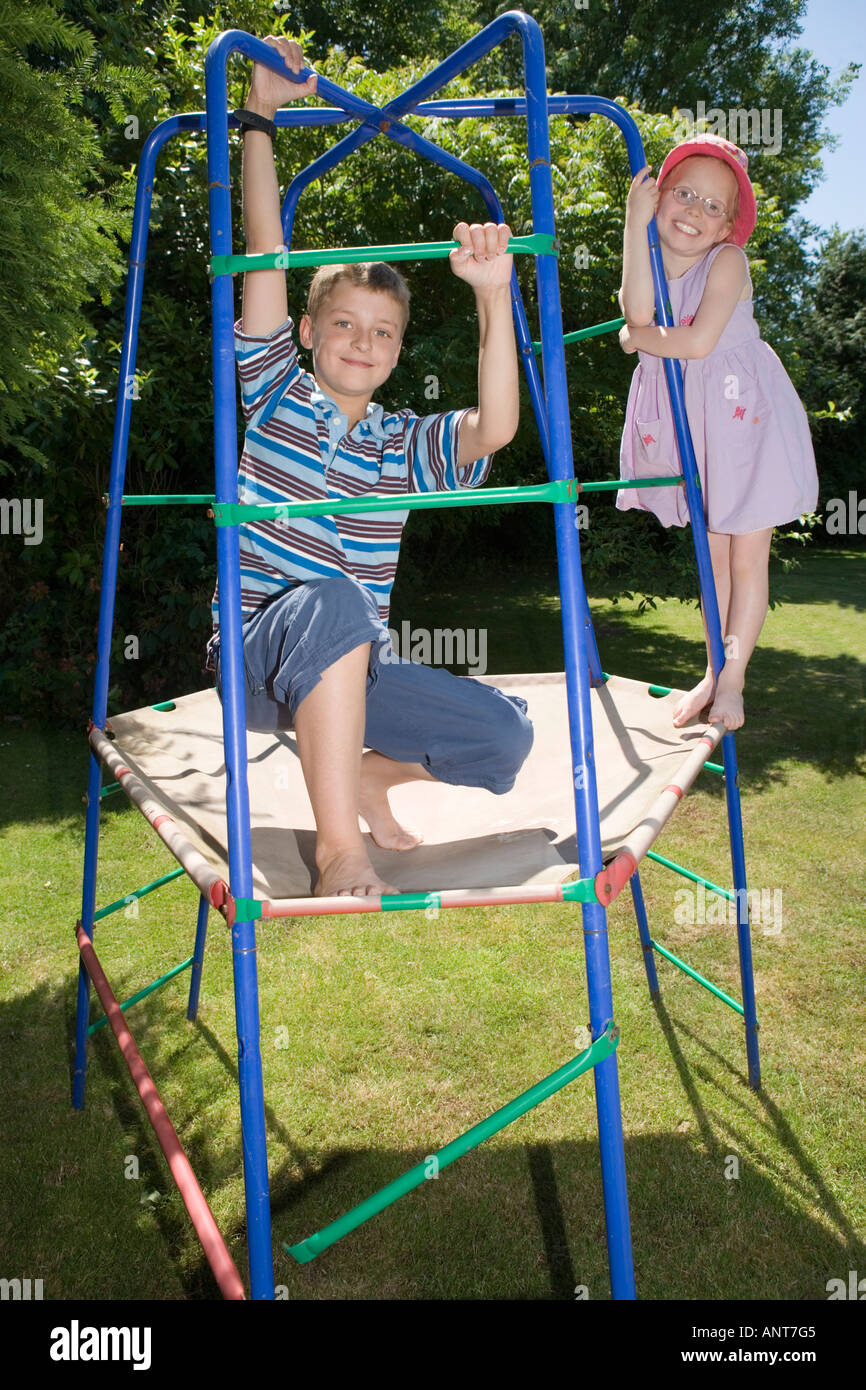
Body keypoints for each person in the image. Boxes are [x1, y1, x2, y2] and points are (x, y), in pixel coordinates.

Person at [208, 36, 532, 898]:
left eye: (383, 331)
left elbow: (494, 428)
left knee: (505, 736)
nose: (364, 341)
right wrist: (260, 119)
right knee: (336, 596)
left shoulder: (399, 443)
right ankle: (338, 847)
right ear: (310, 334)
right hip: (255, 656)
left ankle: (370, 775)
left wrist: (493, 297)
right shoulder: (273, 387)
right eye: (345, 323)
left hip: (355, 670)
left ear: (397, 353)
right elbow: (268, 257)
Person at [616, 133, 818, 730]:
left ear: (730, 225)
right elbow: (637, 309)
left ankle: (734, 682)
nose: (694, 212)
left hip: (743, 418)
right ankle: (712, 670)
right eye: (683, 194)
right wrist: (634, 221)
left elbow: (696, 341)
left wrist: (640, 341)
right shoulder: (651, 253)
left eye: (713, 206)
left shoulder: (727, 261)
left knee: (746, 557)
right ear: (661, 199)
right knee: (714, 561)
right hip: (699, 425)